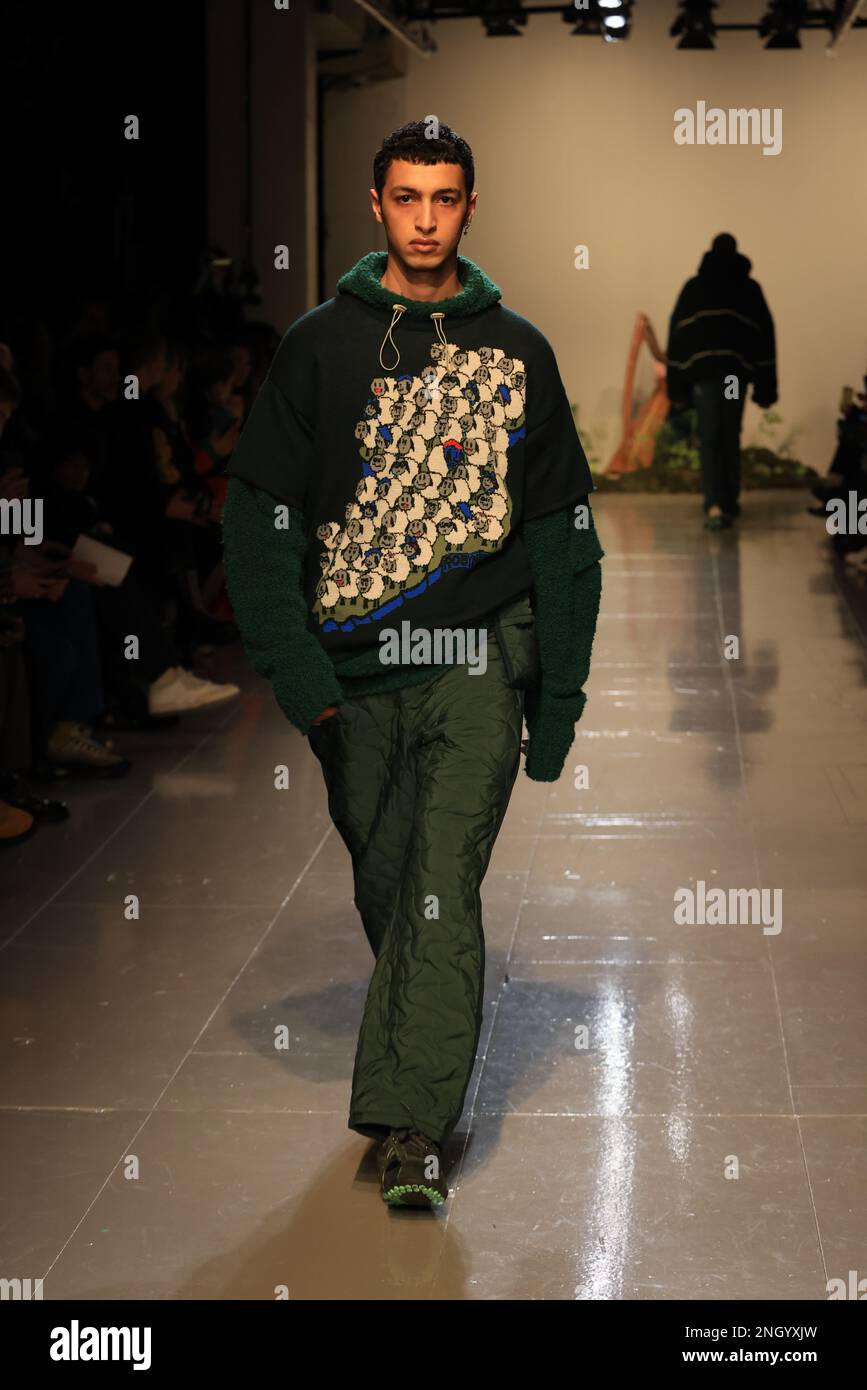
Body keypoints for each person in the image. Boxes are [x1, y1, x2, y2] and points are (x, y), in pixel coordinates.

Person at [221, 120, 604, 1208]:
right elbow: (259, 527)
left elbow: (565, 537)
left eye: (446, 197)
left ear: (470, 206)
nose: (427, 218)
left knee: (440, 886)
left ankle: (413, 1134)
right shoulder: (317, 347)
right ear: (376, 204)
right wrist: (307, 692)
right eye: (407, 197)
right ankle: (417, 1081)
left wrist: (559, 698)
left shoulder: (519, 351)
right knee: (394, 892)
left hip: (478, 658)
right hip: (354, 679)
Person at [666, 232, 777, 530]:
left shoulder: (695, 288)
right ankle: (728, 499)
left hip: (704, 377)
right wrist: (767, 387)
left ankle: (715, 503)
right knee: (729, 433)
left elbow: (678, 334)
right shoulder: (748, 288)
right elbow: (765, 337)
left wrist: (676, 387)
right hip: (733, 375)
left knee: (710, 435)